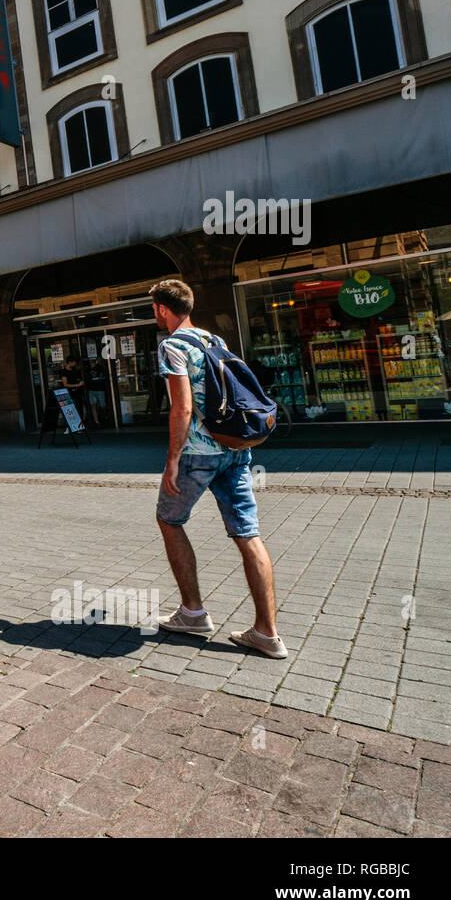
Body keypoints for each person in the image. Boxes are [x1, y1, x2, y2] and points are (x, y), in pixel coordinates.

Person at [150, 279, 287, 659]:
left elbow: (182, 408)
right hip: (235, 447)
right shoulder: (215, 340)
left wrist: (172, 460)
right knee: (247, 532)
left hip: (197, 454)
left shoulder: (171, 346)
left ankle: (192, 613)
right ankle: (267, 632)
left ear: (162, 309)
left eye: (155, 310)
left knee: (169, 519)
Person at [61, 356, 89, 424]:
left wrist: (80, 383)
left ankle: (80, 424)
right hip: (70, 392)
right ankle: (72, 425)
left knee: (80, 408)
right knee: (71, 409)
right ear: (70, 362)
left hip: (78, 391)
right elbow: (65, 384)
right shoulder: (64, 371)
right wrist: (77, 385)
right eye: (74, 363)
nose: (75, 364)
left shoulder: (74, 370)